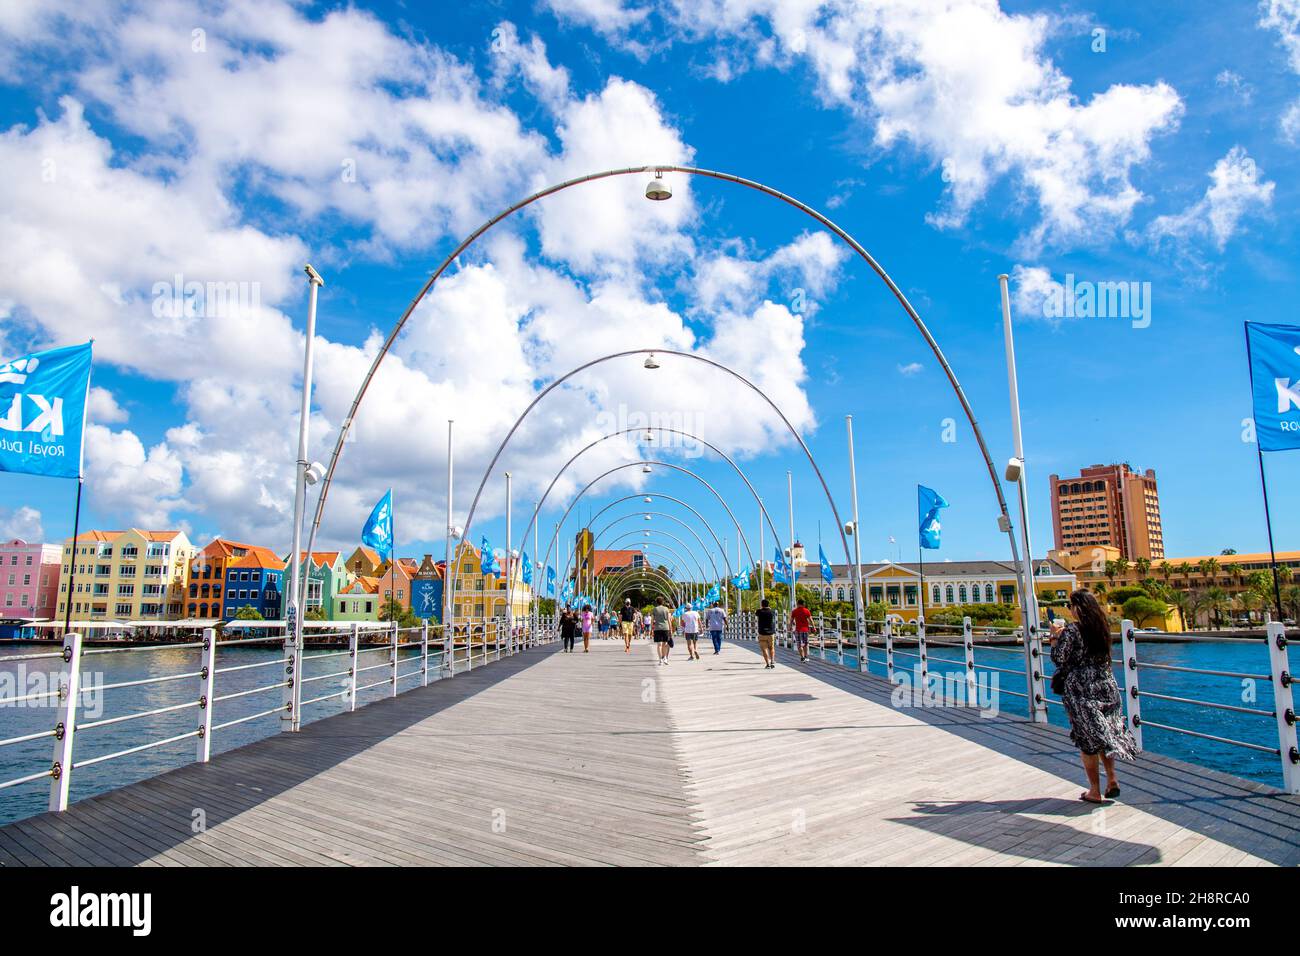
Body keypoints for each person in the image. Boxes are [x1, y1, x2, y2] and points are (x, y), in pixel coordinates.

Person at [1049, 589, 1138, 804]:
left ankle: (1094, 790)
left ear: (1078, 607)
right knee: (1105, 734)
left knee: (1087, 740)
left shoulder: (1072, 630)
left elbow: (1059, 658)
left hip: (1082, 690)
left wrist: (1054, 637)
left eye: (1071, 606)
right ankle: (1112, 780)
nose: (1070, 610)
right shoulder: (1102, 628)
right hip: (1107, 686)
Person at [790, 598, 814, 663]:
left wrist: (790, 626)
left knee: (799, 644)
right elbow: (811, 620)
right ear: (803, 604)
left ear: (797, 604)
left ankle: (802, 657)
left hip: (797, 630)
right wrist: (814, 627)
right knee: (805, 644)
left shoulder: (794, 611)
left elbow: (791, 620)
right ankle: (806, 656)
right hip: (805, 630)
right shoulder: (807, 611)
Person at [755, 598, 776, 669]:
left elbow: (757, 613)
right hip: (771, 633)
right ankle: (772, 661)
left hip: (762, 633)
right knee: (771, 648)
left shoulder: (759, 611)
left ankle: (768, 664)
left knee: (764, 649)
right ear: (768, 605)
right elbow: (770, 610)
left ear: (762, 605)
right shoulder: (772, 612)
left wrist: (761, 608)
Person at [652, 599, 674, 665]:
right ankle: (664, 658)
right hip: (665, 628)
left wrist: (651, 629)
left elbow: (652, 620)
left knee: (659, 645)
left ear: (657, 602)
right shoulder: (666, 609)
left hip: (657, 628)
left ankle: (660, 659)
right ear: (663, 602)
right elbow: (669, 620)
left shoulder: (654, 609)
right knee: (665, 644)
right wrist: (671, 629)